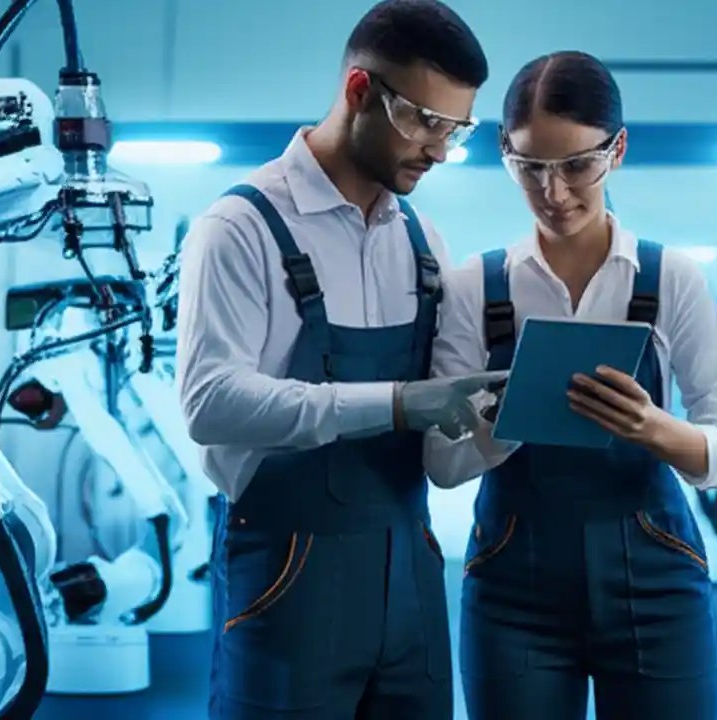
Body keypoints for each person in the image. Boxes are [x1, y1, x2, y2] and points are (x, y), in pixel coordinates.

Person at [174, 2, 504, 718]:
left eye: (455, 128)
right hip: (288, 572)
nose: (440, 149)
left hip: (412, 571)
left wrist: (508, 415)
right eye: (424, 120)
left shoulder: (423, 242)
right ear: (359, 92)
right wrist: (393, 403)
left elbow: (443, 458)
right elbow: (209, 403)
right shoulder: (240, 227)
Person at [424, 51, 717, 720]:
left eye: (577, 164)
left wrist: (653, 428)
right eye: (529, 168)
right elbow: (440, 464)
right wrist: (509, 417)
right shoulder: (473, 288)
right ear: (503, 153)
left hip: (656, 576)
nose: (555, 192)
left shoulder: (670, 281)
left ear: (617, 150)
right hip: (513, 586)